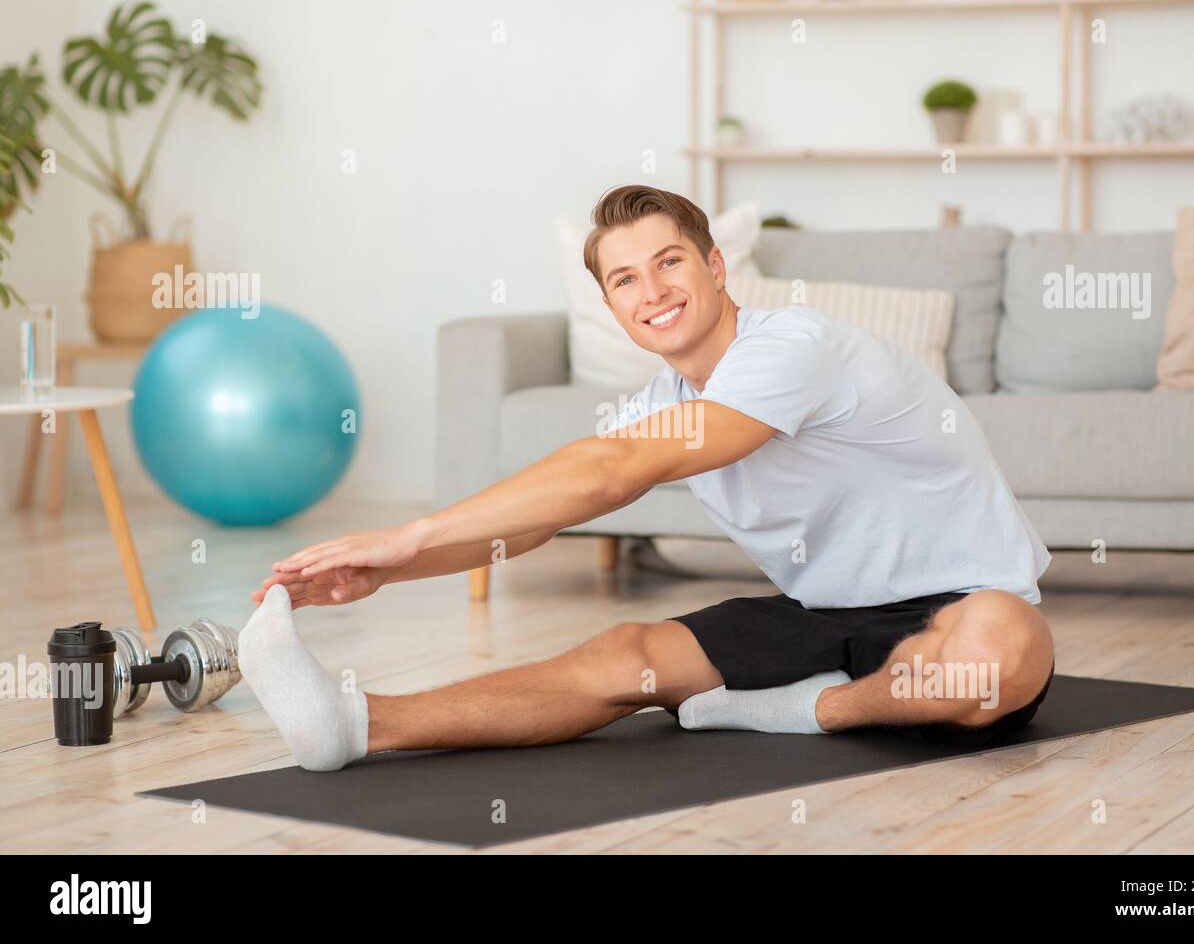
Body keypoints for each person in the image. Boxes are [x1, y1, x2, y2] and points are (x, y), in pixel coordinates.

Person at [242, 184, 1055, 772]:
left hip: (967, 601)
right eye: (625, 278)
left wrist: (408, 529)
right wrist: (388, 568)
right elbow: (533, 522)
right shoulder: (661, 397)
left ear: (715, 264)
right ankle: (356, 724)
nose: (653, 290)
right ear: (609, 304)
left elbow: (610, 470)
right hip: (826, 617)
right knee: (626, 656)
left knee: (987, 658)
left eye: (669, 261)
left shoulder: (791, 348)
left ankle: (800, 710)